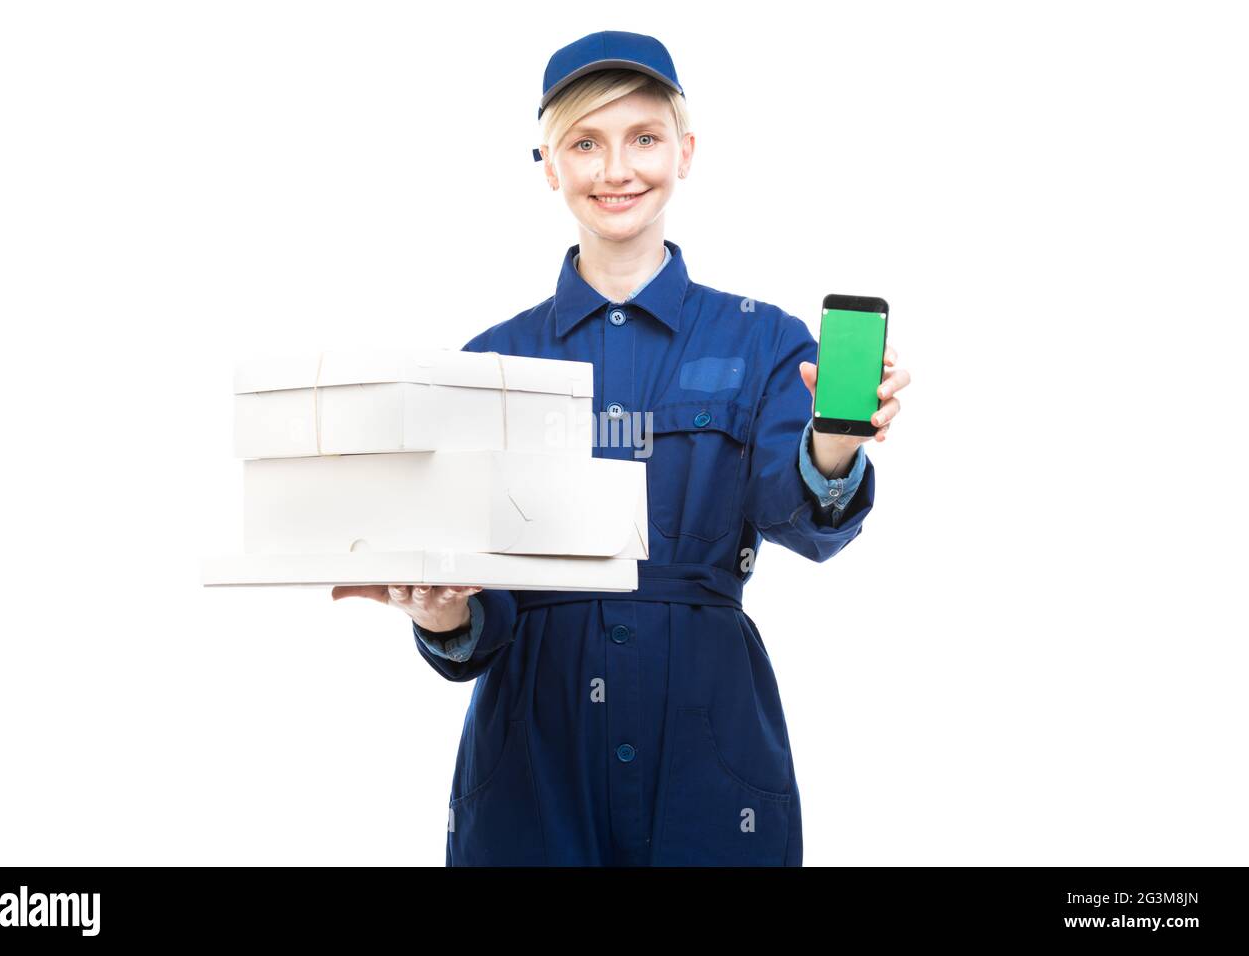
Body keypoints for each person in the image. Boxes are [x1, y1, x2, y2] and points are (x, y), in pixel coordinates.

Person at [333, 30, 911, 866]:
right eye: (584, 143)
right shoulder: (488, 362)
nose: (617, 170)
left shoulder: (765, 341)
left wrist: (830, 444)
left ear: (686, 151)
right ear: (548, 163)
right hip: (535, 744)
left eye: (644, 137)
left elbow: (805, 524)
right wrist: (441, 609)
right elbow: (476, 615)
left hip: (709, 740)